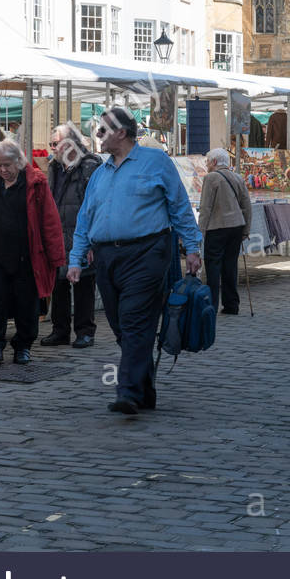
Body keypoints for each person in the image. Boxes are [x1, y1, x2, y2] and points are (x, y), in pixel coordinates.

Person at [68, 108, 203, 416]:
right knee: (120, 325)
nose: (97, 137)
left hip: (148, 253)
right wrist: (76, 259)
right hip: (107, 257)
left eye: (102, 131)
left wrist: (192, 247)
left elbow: (179, 206)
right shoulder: (100, 173)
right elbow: (84, 220)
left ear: (121, 133)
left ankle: (127, 392)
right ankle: (145, 388)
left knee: (133, 320)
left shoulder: (156, 163)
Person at [0, 140, 66, 365]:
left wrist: (56, 257)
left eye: (7, 165)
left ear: (19, 162)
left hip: (27, 256)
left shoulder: (36, 184)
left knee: (26, 304)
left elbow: (50, 222)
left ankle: (23, 346)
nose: (3, 170)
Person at [41, 124, 102, 349]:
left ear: (70, 144)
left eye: (55, 143)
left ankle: (85, 331)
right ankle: (60, 330)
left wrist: (93, 242)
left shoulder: (90, 167)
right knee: (58, 284)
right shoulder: (55, 168)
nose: (52, 148)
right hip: (59, 235)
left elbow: (98, 205)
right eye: (51, 144)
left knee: (84, 283)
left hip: (82, 235)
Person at [198, 147, 252, 316]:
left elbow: (205, 208)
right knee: (230, 266)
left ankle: (211, 305)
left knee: (213, 267)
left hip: (217, 227)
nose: (206, 165)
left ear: (214, 162)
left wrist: (200, 232)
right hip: (236, 226)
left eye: (207, 162)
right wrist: (246, 229)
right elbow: (247, 206)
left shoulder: (211, 178)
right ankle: (231, 305)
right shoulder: (237, 177)